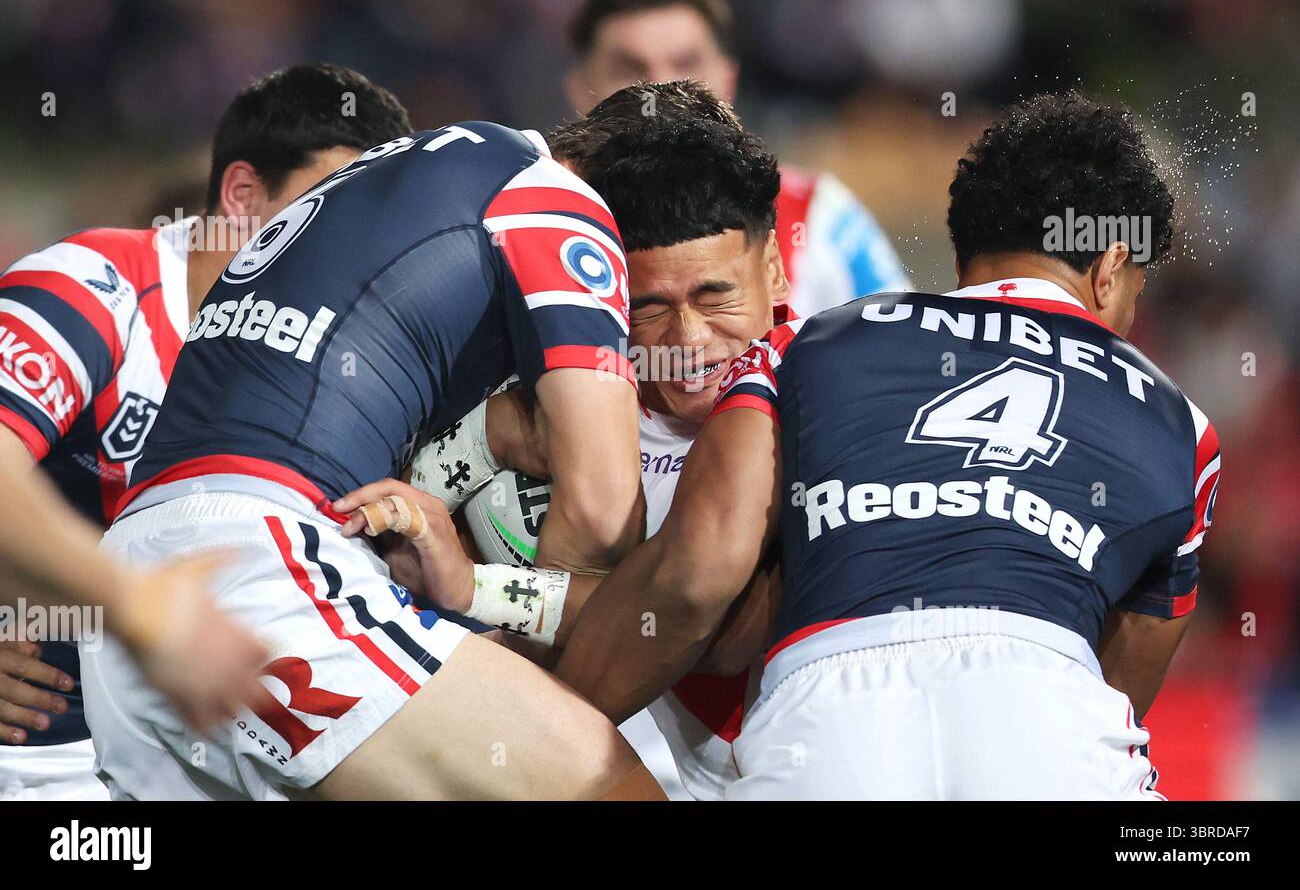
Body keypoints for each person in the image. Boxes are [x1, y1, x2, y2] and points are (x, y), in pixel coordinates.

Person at [462, 91, 1215, 799]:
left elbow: (698, 573)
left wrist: (531, 750)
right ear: (1113, 266)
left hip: (825, 727)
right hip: (1050, 724)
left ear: (962, 259)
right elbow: (1122, 683)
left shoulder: (811, 345)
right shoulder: (1184, 428)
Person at [74, 83, 770, 800]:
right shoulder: (554, 200)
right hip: (272, 569)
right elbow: (599, 508)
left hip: (141, 585)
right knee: (608, 787)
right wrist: (540, 664)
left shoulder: (398, 170)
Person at [337, 82, 786, 800]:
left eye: (715, 297)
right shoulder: (565, 406)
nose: (689, 342)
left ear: (774, 271)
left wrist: (484, 588)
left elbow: (719, 629)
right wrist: (470, 452)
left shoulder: (812, 382)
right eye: (649, 308)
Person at [0, 63, 408, 799]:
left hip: (243, 747)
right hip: (54, 757)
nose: (354, 253)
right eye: (328, 212)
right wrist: (139, 612)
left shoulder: (358, 350)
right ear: (242, 197)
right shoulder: (89, 289)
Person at [565, 0, 912, 315]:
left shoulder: (819, 216)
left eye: (685, 63)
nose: (659, 92)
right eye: (630, 69)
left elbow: (904, 355)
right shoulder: (532, 219)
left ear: (728, 81)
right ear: (579, 90)